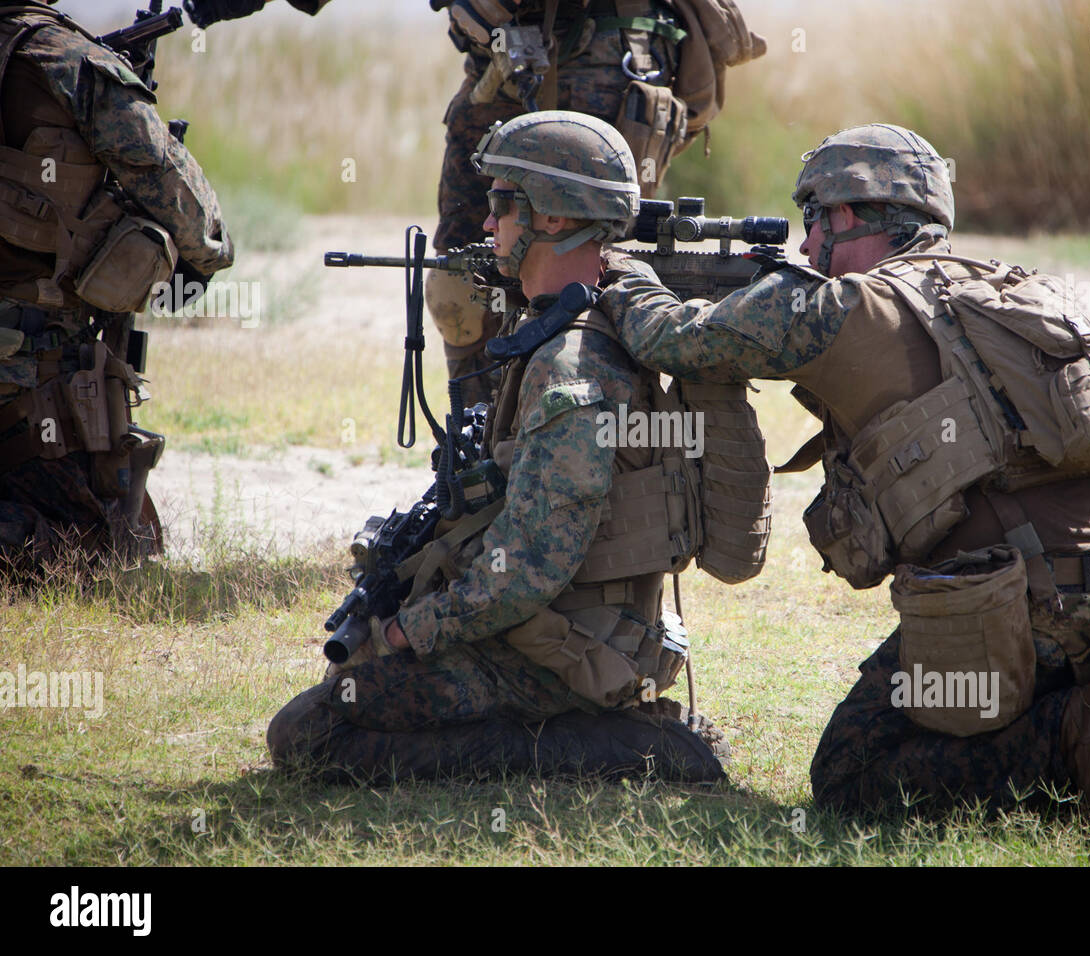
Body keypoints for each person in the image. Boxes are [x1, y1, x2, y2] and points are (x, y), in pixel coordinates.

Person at [595, 123, 1090, 829]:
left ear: (847, 217)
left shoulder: (846, 306)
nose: (803, 248)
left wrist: (616, 269)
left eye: (812, 223)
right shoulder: (1026, 290)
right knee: (1021, 711)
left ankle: (1077, 734)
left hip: (1007, 617)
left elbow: (670, 337)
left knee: (853, 772)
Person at [267, 111, 727, 784]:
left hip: (563, 655)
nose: (488, 225)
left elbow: (528, 569)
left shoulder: (570, 366)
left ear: (557, 219)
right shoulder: (564, 326)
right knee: (346, 686)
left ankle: (630, 749)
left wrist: (410, 631)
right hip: (562, 631)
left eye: (504, 205)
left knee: (310, 736)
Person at [184, 0, 733, 408]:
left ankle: (583, 458)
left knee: (588, 274)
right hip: (511, 70)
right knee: (468, 278)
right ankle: (483, 461)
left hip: (601, 73)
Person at [0, 0, 234, 573]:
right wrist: (205, 256)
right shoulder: (60, 57)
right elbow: (159, 169)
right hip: (31, 367)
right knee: (98, 552)